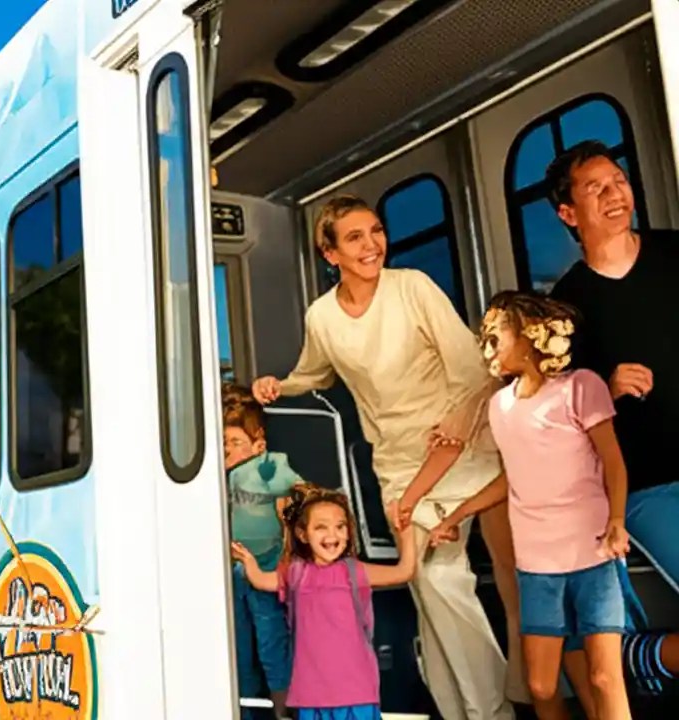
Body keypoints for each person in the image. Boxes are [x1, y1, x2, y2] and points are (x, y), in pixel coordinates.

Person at [251, 195, 520, 719]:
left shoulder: (413, 287)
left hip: (457, 449)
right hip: (395, 464)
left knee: (444, 581)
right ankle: (460, 712)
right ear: (330, 254)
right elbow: (315, 372)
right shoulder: (323, 316)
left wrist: (459, 427)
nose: (372, 245)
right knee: (428, 592)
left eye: (376, 231)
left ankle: (491, 713)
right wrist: (277, 386)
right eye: (354, 237)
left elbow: (471, 371)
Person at [428, 291, 633, 720]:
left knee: (604, 678)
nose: (487, 346)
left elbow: (612, 462)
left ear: (529, 337)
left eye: (496, 334)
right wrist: (459, 513)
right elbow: (512, 477)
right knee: (540, 685)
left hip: (593, 552)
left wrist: (616, 520)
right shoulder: (500, 406)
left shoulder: (582, 386)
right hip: (537, 563)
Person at [544, 140, 679, 594]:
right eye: (596, 188)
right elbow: (555, 417)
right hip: (648, 486)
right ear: (568, 213)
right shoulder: (562, 308)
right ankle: (648, 661)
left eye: (618, 181)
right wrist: (605, 387)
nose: (615, 194)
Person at [231, 484, 417, 720]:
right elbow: (259, 580)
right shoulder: (296, 573)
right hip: (310, 695)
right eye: (321, 527)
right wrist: (248, 561)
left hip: (356, 693)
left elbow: (405, 572)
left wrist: (407, 535)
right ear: (302, 534)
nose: (332, 535)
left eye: (340, 527)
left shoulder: (355, 572)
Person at [224, 391, 302, 719]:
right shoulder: (211, 477)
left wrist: (288, 551)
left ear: (258, 442)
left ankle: (286, 712)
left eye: (235, 441)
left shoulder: (269, 467)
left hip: (268, 569)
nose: (227, 449)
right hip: (232, 573)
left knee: (272, 646)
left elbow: (301, 495)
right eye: (223, 442)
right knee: (237, 649)